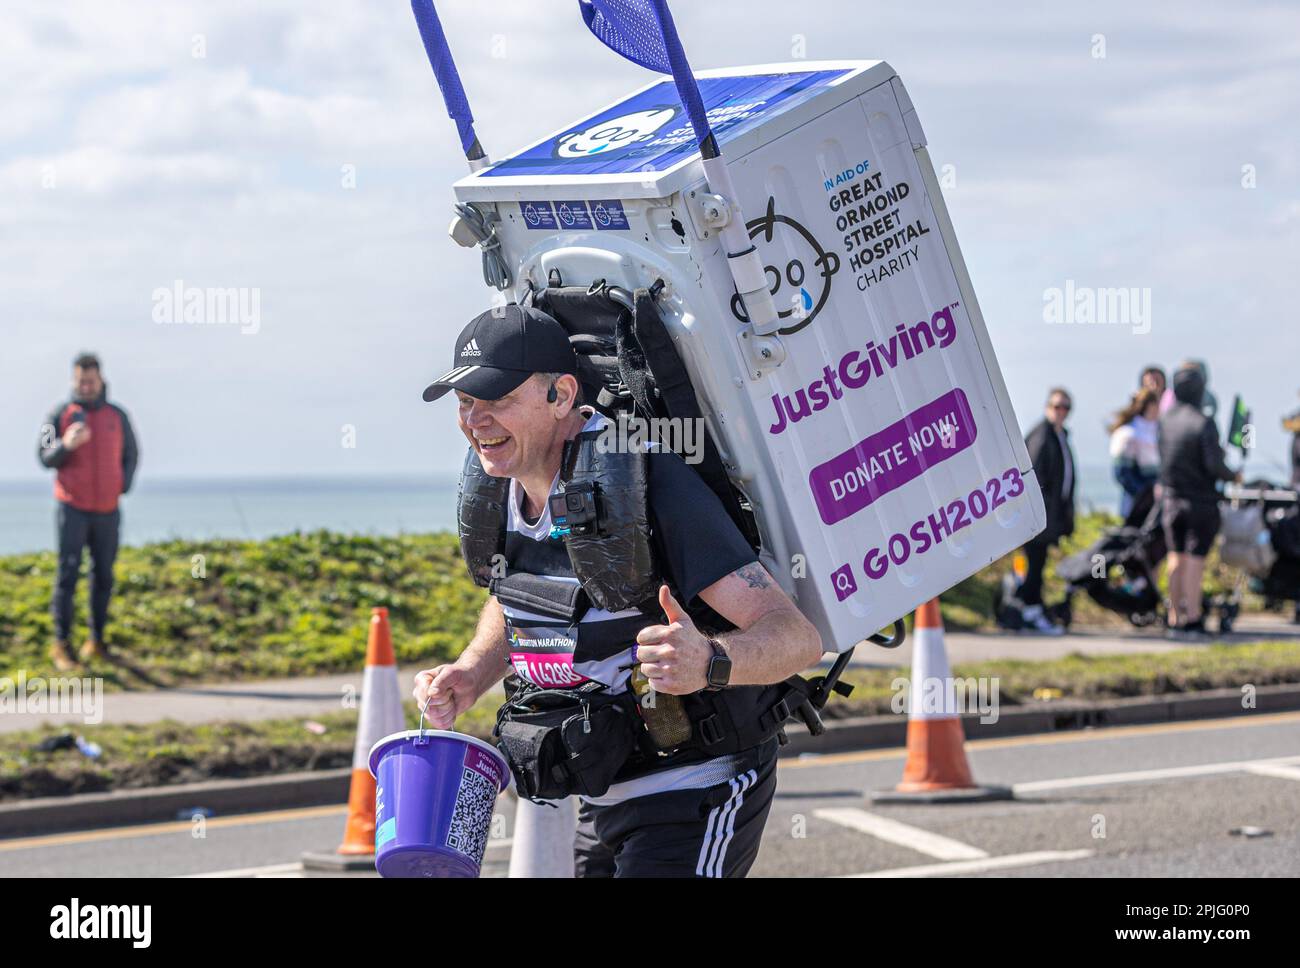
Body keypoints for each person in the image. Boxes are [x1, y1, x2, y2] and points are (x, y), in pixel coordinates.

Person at [412, 305, 822, 878]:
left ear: (561, 395)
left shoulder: (643, 486)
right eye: (465, 401)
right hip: (603, 793)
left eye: (497, 399)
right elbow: (516, 595)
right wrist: (472, 673)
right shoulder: (498, 487)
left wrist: (711, 660)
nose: (476, 419)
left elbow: (796, 638)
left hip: (695, 790)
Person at [37, 353, 140, 670]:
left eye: (90, 380)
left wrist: (122, 486)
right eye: (80, 380)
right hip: (73, 507)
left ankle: (97, 641)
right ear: (73, 380)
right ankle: (61, 644)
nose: (86, 385)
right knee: (67, 574)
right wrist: (66, 444)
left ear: (101, 380)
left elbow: (132, 454)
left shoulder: (117, 416)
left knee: (104, 575)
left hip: (108, 509)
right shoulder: (58, 414)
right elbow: (43, 455)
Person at [1157, 362, 1239, 639]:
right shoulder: (1204, 422)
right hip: (1199, 502)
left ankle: (1174, 618)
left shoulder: (1165, 421)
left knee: (1174, 557)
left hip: (1171, 501)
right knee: (1194, 560)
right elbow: (1214, 465)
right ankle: (1193, 618)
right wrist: (1233, 474)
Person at [1019, 388, 1076, 635]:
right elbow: (1034, 477)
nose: (1060, 411)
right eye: (1056, 406)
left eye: (1065, 407)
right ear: (1047, 407)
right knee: (1033, 565)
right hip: (1037, 517)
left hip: (1049, 517)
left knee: (1038, 565)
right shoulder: (1042, 436)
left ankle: (1033, 609)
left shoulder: (1059, 436)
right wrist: (1039, 514)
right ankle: (1029, 612)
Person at [1109, 387, 1161, 518]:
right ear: (1149, 406)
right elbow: (1121, 472)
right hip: (1136, 502)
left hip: (1156, 501)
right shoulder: (1128, 433)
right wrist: (1143, 494)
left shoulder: (1158, 430)